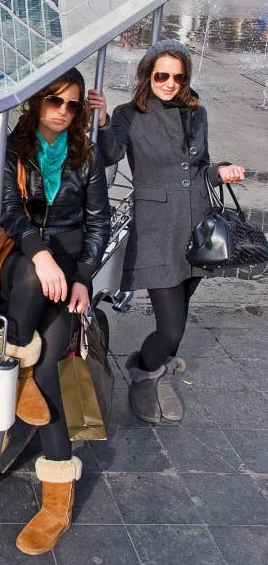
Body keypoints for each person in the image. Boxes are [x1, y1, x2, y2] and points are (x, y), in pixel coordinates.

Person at [88, 39, 246, 422]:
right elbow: (107, 155)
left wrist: (220, 171)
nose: (170, 83)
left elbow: (200, 167)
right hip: (157, 228)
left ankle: (156, 376)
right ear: (148, 75)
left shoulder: (197, 113)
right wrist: (104, 120)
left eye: (178, 76)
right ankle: (144, 371)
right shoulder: (129, 114)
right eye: (162, 75)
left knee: (182, 312)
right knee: (171, 327)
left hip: (196, 226)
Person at [0, 67, 111, 555]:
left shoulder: (86, 156)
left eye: (72, 104)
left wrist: (83, 276)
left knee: (51, 373)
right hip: (25, 264)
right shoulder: (14, 147)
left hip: (68, 267)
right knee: (27, 272)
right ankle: (20, 375)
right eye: (53, 101)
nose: (62, 111)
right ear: (36, 102)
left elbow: (99, 224)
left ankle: (56, 504)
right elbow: (8, 210)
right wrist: (38, 252)